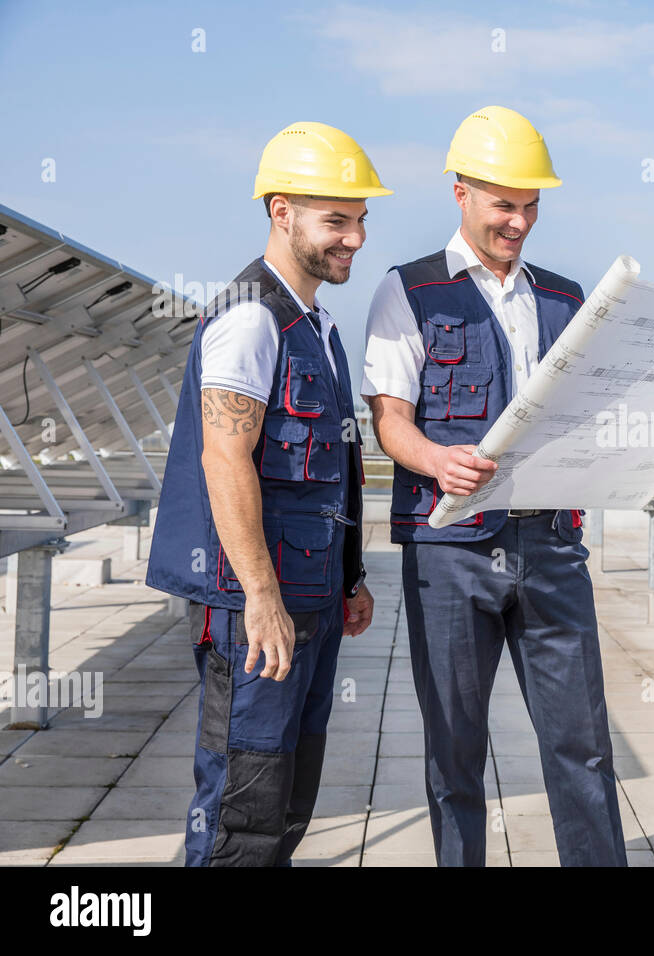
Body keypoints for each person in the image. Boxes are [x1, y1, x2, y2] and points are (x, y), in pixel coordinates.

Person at [362, 105, 654, 866]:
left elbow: (604, 417)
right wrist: (432, 458)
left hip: (552, 547)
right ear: (460, 193)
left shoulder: (564, 298)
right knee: (455, 750)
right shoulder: (409, 292)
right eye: (503, 204)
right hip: (450, 550)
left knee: (581, 745)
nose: (519, 222)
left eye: (530, 205)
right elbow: (390, 421)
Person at [146, 122, 388, 866]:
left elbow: (325, 466)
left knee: (286, 805)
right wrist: (259, 595)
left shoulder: (313, 323)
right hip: (255, 610)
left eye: (359, 221)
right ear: (282, 212)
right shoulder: (252, 319)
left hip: (307, 598)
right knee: (240, 812)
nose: (354, 238)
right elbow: (226, 459)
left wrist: (348, 577)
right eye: (336, 221)